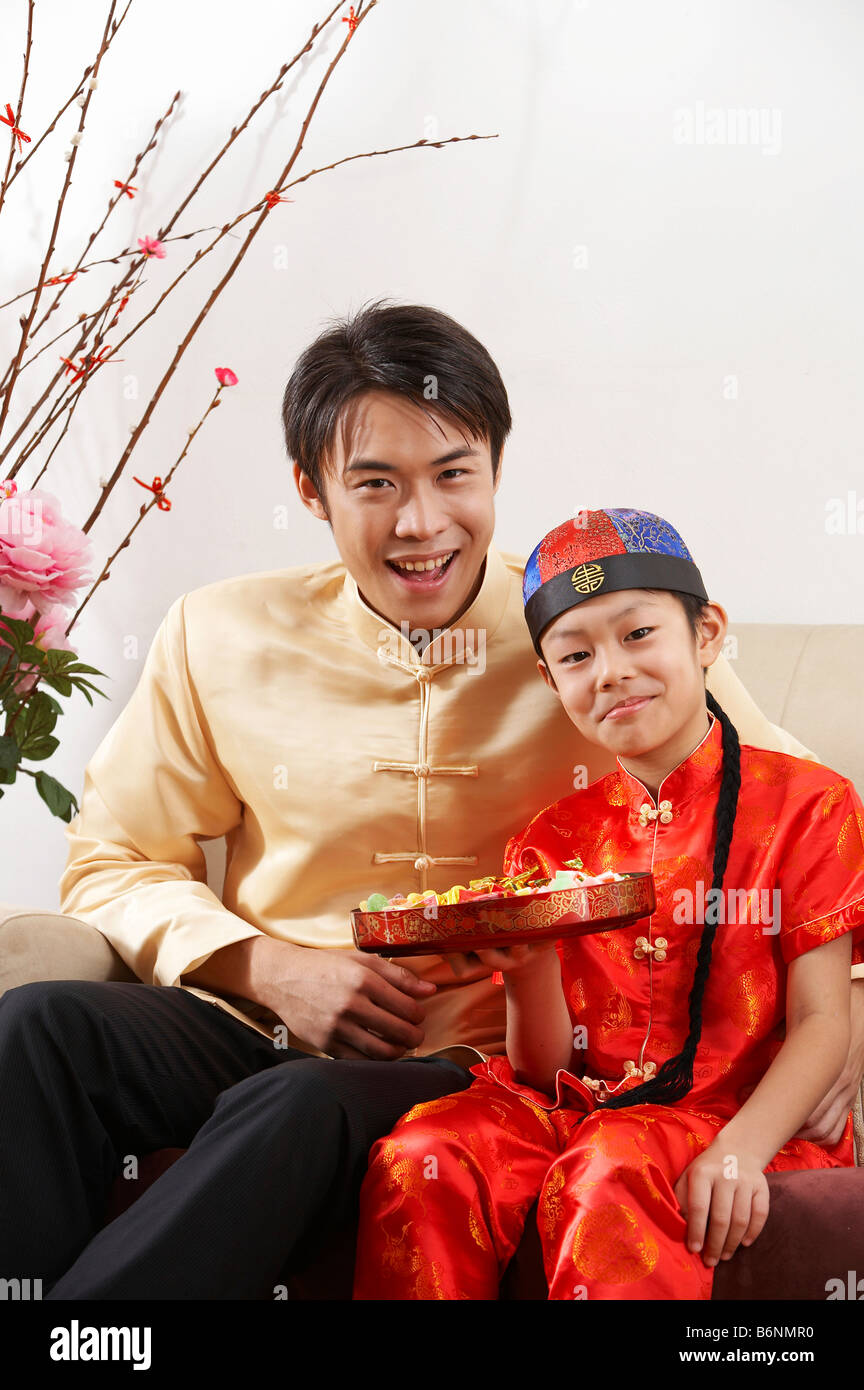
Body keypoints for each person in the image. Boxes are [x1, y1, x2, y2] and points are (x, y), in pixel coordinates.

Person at [0, 304, 860, 1300]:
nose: (422, 522)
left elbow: (781, 801)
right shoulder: (216, 632)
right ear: (310, 490)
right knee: (35, 1027)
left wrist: (845, 1009)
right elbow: (109, 858)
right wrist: (269, 966)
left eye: (455, 474)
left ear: (495, 467)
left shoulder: (581, 633)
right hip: (250, 1013)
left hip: (466, 1055)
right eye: (376, 484)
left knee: (298, 1101)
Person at [352, 507, 864, 1301]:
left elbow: (826, 1021)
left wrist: (742, 1148)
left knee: (609, 1167)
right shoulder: (550, 840)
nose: (611, 671)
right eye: (576, 655)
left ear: (705, 634)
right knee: (421, 1153)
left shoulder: (810, 805)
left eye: (637, 635)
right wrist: (524, 971)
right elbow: (544, 1071)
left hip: (726, 1111)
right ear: (551, 681)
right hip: (577, 1106)